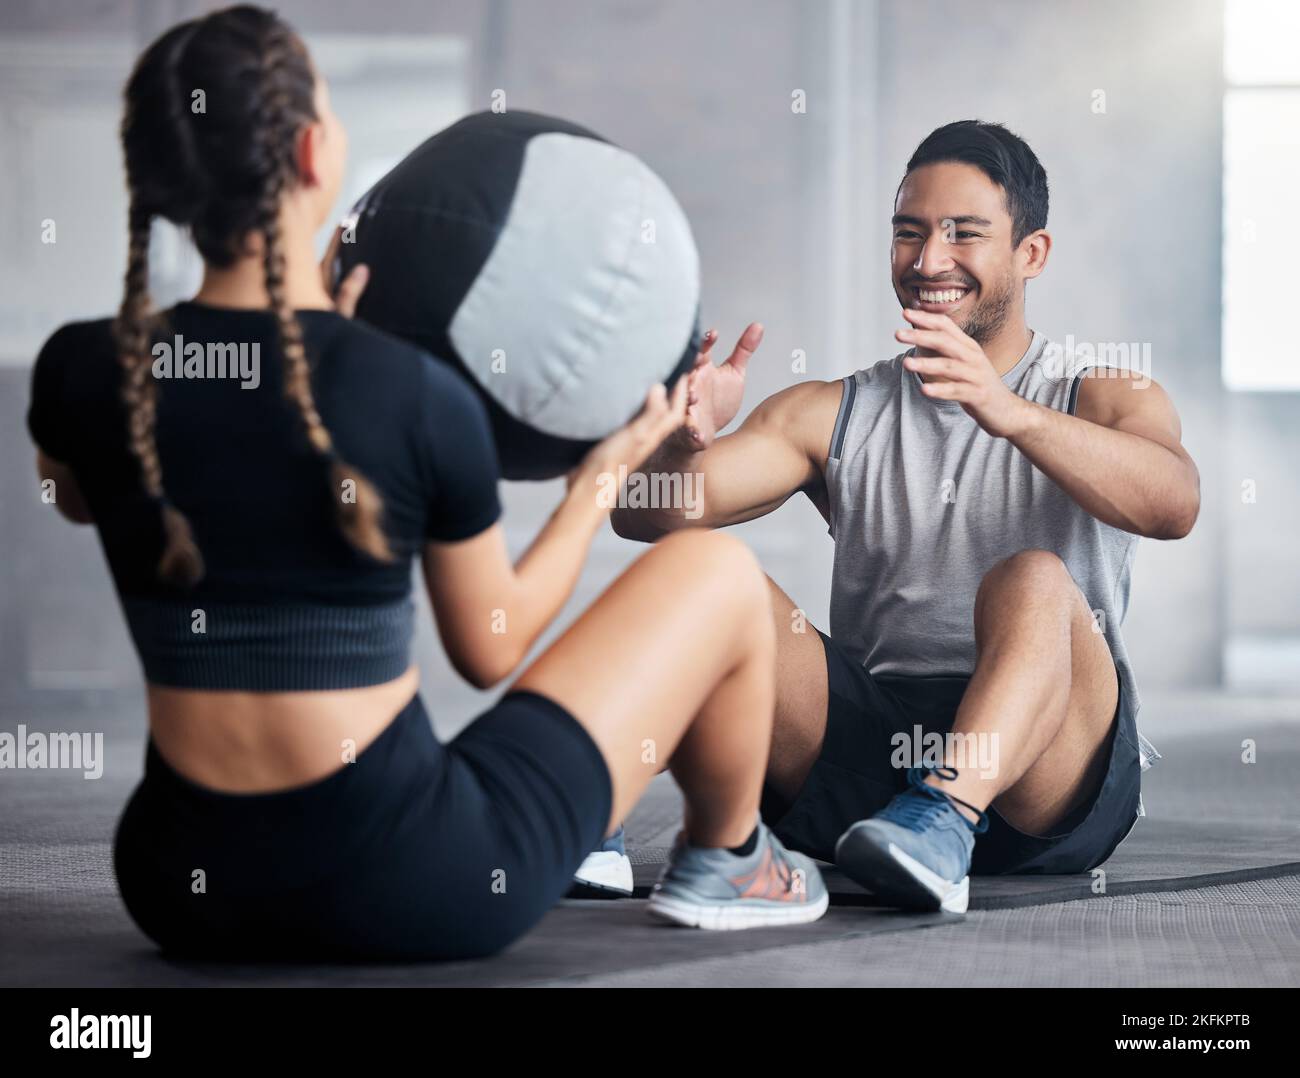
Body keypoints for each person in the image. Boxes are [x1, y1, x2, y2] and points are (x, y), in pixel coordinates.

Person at [26, 5, 826, 961]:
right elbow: (491, 646)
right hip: (408, 882)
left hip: (179, 883)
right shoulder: (403, 389)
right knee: (718, 574)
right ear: (315, 155)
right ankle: (732, 859)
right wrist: (604, 471)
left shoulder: (82, 370)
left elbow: (83, 496)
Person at [613, 120, 1198, 914]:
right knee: (707, 574)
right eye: (909, 233)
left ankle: (946, 817)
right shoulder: (833, 410)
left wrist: (1008, 412)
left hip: (1045, 775)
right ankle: (585, 810)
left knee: (1033, 577)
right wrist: (679, 444)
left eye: (964, 234)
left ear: (1031, 254)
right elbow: (642, 517)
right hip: (871, 760)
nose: (928, 261)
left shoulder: (1103, 390)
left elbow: (1174, 505)